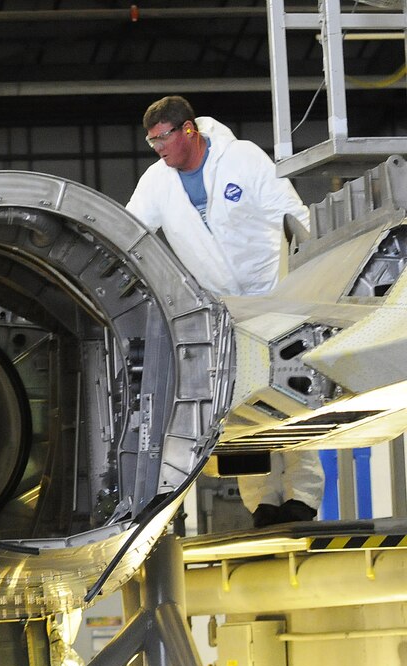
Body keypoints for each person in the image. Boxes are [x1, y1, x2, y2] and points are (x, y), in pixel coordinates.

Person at [125, 95, 325, 528]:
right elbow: (130, 232)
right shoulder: (157, 182)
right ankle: (262, 502)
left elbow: (291, 212)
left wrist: (319, 272)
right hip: (221, 308)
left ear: (189, 130)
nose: (158, 148)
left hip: (274, 295)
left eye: (163, 138)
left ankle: (302, 496)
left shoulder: (242, 158)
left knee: (291, 396)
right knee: (239, 401)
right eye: (151, 141)